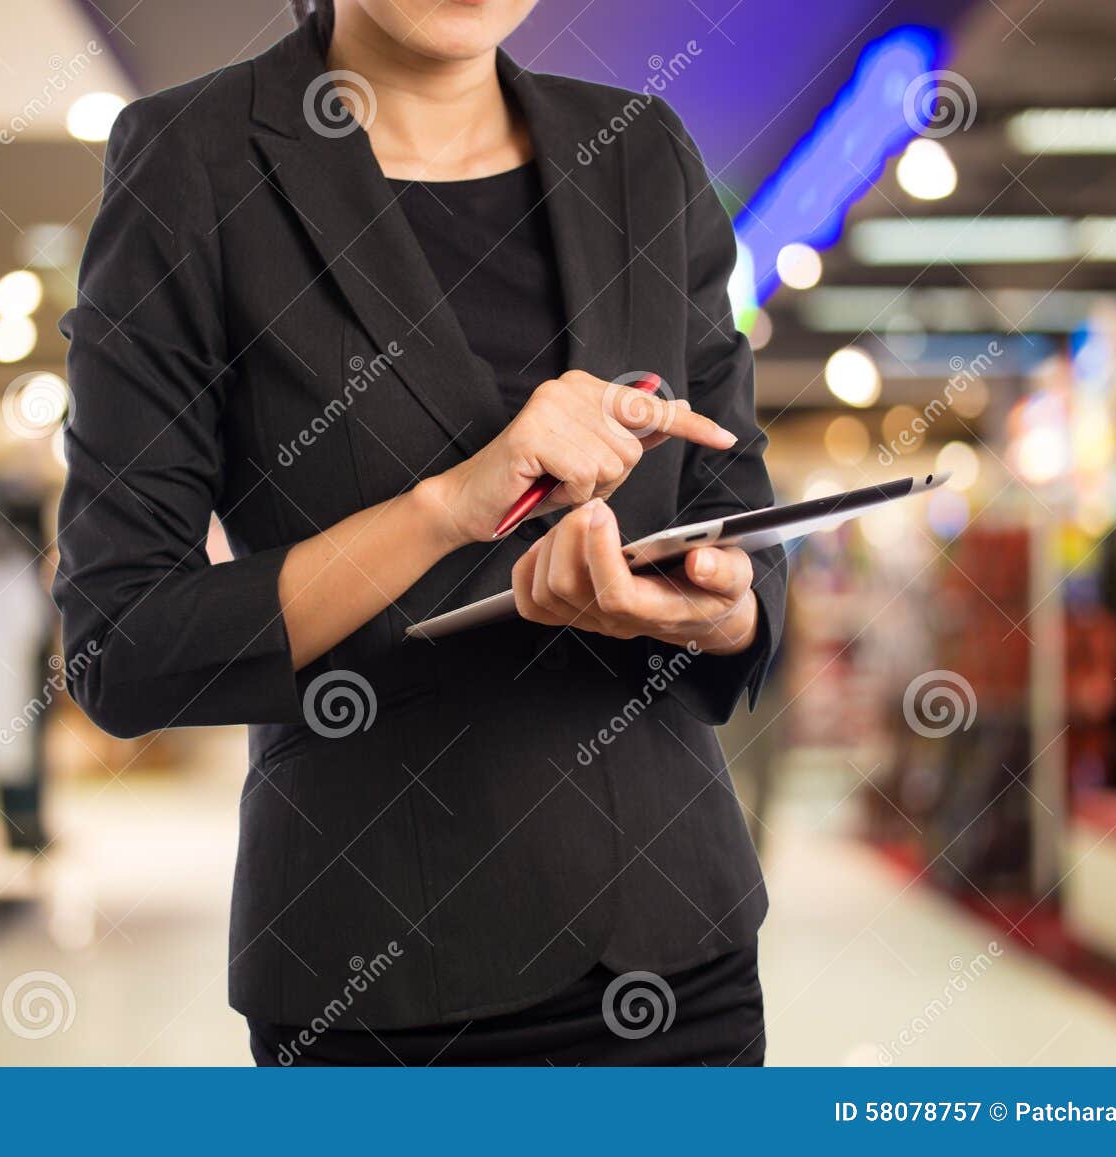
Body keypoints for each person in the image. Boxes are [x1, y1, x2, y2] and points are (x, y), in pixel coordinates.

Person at [53, 0, 787, 1065]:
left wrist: (725, 605)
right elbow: (121, 646)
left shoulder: (640, 151)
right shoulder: (192, 163)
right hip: (381, 975)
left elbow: (744, 512)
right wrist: (446, 506)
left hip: (676, 947)